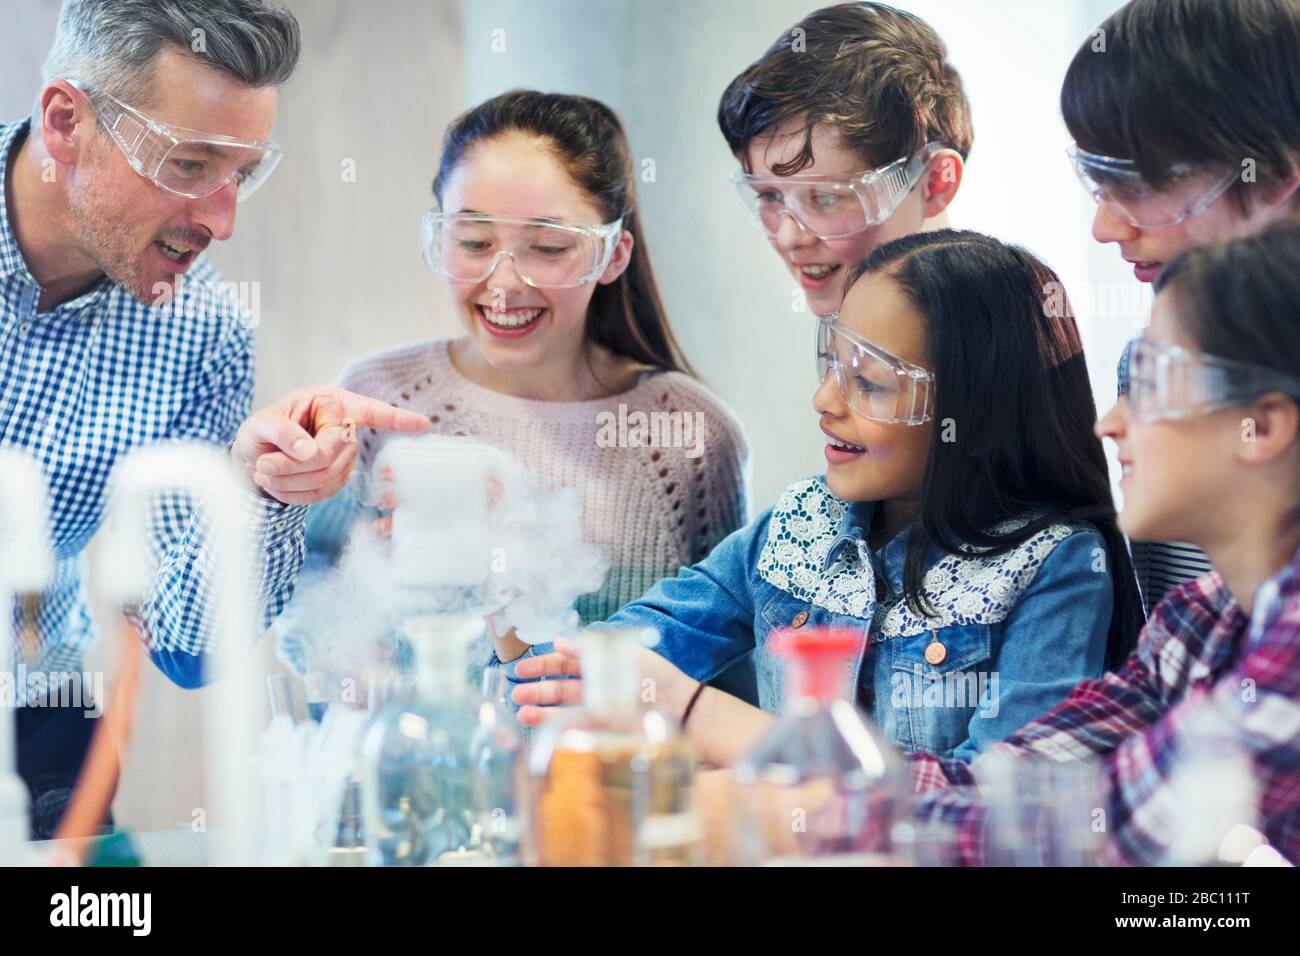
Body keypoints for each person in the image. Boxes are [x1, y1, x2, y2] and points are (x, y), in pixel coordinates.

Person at [2, 0, 426, 837]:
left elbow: (188, 651)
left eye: (242, 174)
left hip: (40, 722)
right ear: (65, 121)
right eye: (189, 164)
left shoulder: (204, 331)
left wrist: (260, 495)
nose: (221, 220)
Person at [508, 230, 1145, 762]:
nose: (825, 400)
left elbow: (998, 806)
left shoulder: (1058, 567)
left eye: (867, 383)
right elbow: (562, 674)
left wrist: (688, 705)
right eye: (831, 365)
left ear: (976, 418)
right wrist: (480, 549)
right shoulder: (796, 524)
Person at [274, 90, 751, 700]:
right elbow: (305, 614)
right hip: (417, 780)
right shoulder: (379, 398)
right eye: (472, 242)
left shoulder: (689, 435)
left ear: (612, 254)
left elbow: (730, 674)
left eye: (548, 248)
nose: (503, 284)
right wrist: (363, 605)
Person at [908, 224, 1300, 865]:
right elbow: (1016, 787)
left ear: (1263, 427)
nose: (1108, 422)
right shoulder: (1197, 621)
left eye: (1149, 381)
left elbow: (1105, 834)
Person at [1062, 0, 1300, 610]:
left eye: (1138, 185)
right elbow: (1167, 669)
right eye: (1097, 182)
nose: (1105, 227)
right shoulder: (1152, 365)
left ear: (1276, 176)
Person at [717, 2, 970, 319]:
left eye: (825, 196)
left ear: (933, 183)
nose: (787, 237)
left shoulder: (1007, 358)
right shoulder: (847, 350)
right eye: (770, 195)